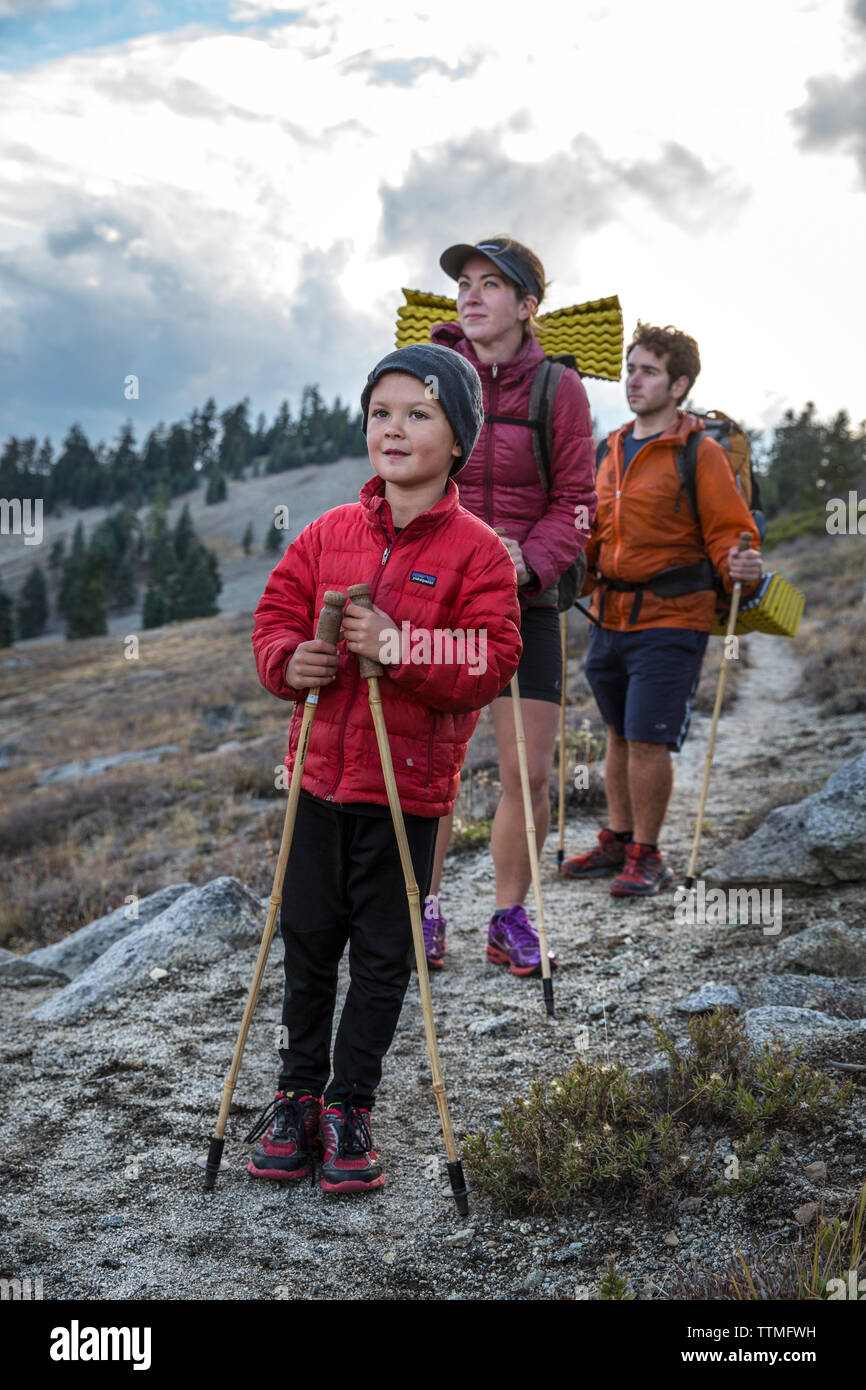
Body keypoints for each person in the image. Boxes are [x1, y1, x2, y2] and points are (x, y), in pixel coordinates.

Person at [248, 344, 521, 1192]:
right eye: (381, 413)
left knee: (383, 955)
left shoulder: (479, 553)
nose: (393, 429)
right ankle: (295, 1092)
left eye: (418, 413)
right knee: (307, 943)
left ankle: (350, 1103)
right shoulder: (329, 532)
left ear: (459, 439)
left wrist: (400, 648)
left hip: (406, 796)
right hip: (318, 789)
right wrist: (289, 663)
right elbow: (275, 617)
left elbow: (489, 659)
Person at [421, 236, 597, 976]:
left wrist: (531, 555)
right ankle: (420, 913)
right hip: (443, 602)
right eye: (465, 281)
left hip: (527, 604)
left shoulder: (560, 389)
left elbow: (578, 502)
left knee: (527, 774)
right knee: (429, 768)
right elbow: (406, 470)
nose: (471, 294)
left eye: (491, 284)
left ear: (527, 307)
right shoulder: (430, 377)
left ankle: (507, 920)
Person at [561, 322, 762, 895]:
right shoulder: (611, 450)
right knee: (618, 734)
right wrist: (571, 575)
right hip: (610, 615)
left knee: (648, 737)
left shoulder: (700, 452)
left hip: (674, 618)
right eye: (630, 369)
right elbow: (593, 533)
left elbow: (730, 532)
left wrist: (741, 569)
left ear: (680, 385)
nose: (633, 380)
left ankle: (649, 857)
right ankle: (620, 841)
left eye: (648, 371)